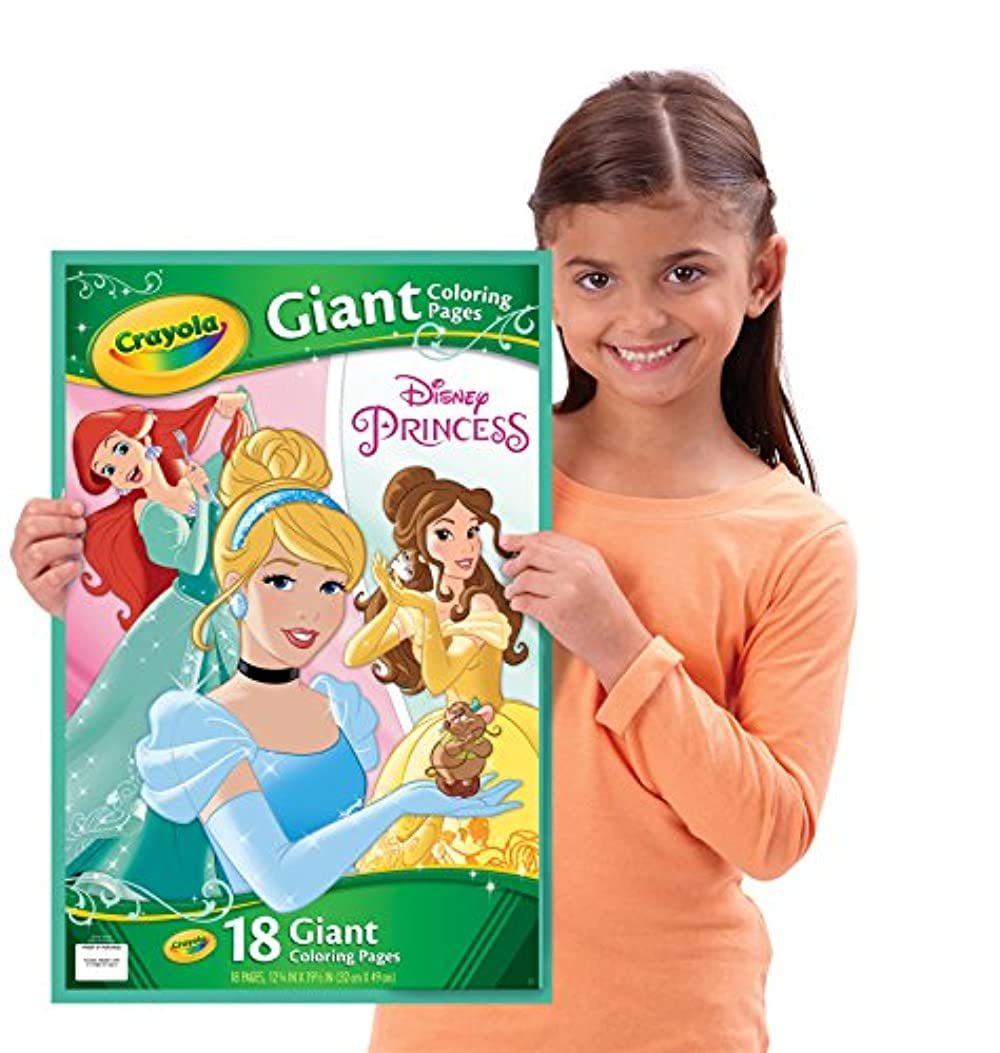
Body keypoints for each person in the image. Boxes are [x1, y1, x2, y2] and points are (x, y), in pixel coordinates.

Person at [13, 67, 858, 1052]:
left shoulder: (795, 539)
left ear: (761, 274)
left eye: (684, 272)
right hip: (441, 1016)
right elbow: (275, 643)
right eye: (595, 278)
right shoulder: (468, 467)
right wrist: (83, 598)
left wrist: (622, 648)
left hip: (672, 1027)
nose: (639, 317)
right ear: (544, 277)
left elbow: (772, 833)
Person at [131, 426, 522, 912]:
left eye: (331, 587)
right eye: (281, 580)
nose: (310, 610)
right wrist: (403, 803)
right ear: (236, 587)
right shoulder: (204, 729)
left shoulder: (336, 706)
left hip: (362, 937)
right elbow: (281, 886)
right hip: (260, 945)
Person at [62, 389, 256, 894]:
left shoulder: (192, 479)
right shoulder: (149, 511)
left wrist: (232, 409)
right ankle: (141, 858)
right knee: (157, 734)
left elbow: (243, 457)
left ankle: (223, 856)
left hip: (217, 623)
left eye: (118, 449)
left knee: (222, 734)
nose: (118, 469)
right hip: (179, 628)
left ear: (141, 432)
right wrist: (205, 503)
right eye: (106, 470)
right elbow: (191, 562)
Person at [342, 466, 539, 874]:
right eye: (446, 534)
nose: (465, 547)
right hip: (443, 735)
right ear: (420, 542)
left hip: (493, 732)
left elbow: (439, 678)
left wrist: (423, 614)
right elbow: (355, 655)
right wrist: (396, 602)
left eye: (472, 532)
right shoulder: (421, 605)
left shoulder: (481, 604)